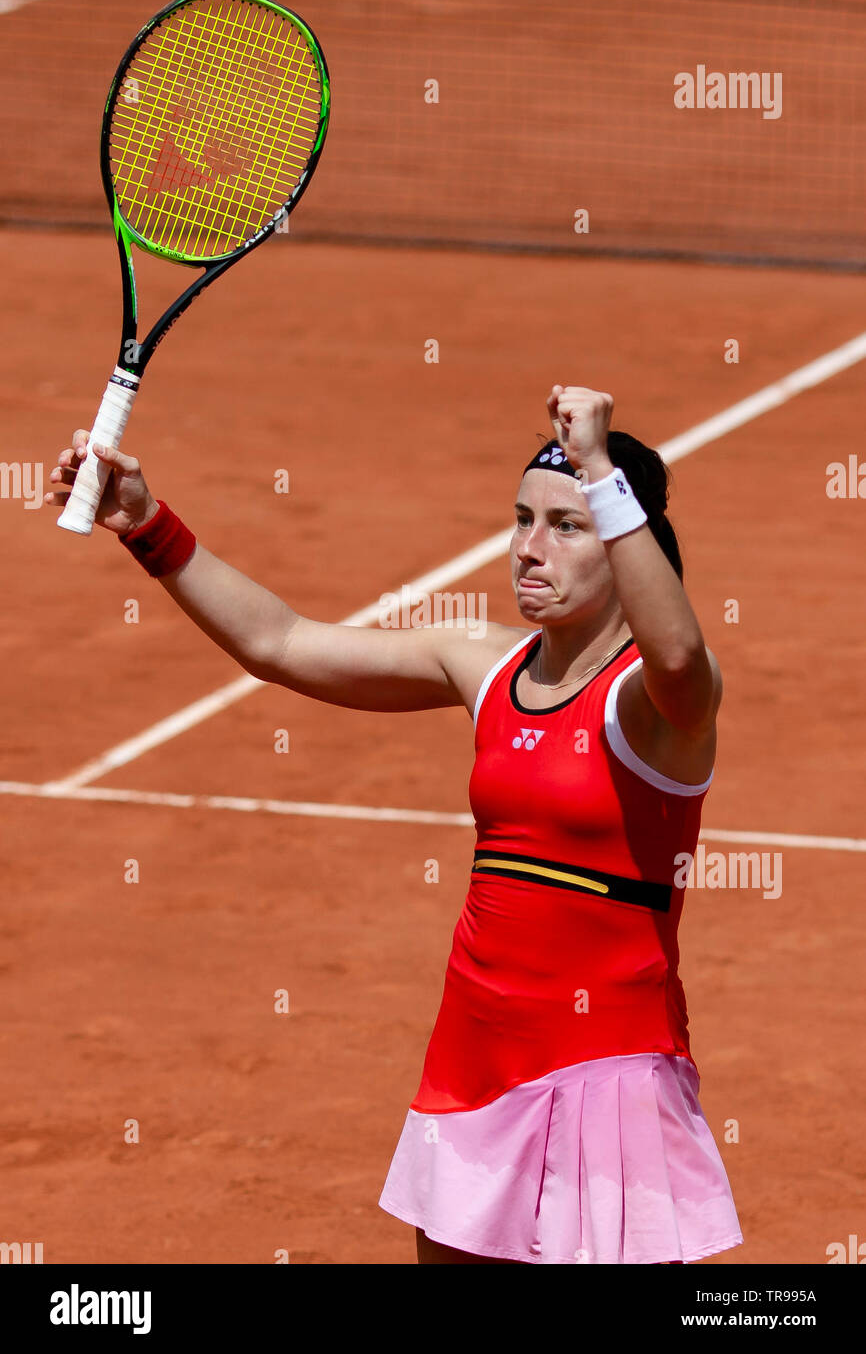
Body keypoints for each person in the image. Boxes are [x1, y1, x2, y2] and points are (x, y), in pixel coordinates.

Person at [46, 384, 743, 1265]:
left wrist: (600, 467)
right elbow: (285, 645)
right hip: (474, 1059)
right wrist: (147, 524)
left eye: (567, 527)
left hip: (606, 1076)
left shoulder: (658, 701)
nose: (529, 550)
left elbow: (679, 650)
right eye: (522, 519)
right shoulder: (483, 662)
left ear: (624, 540)